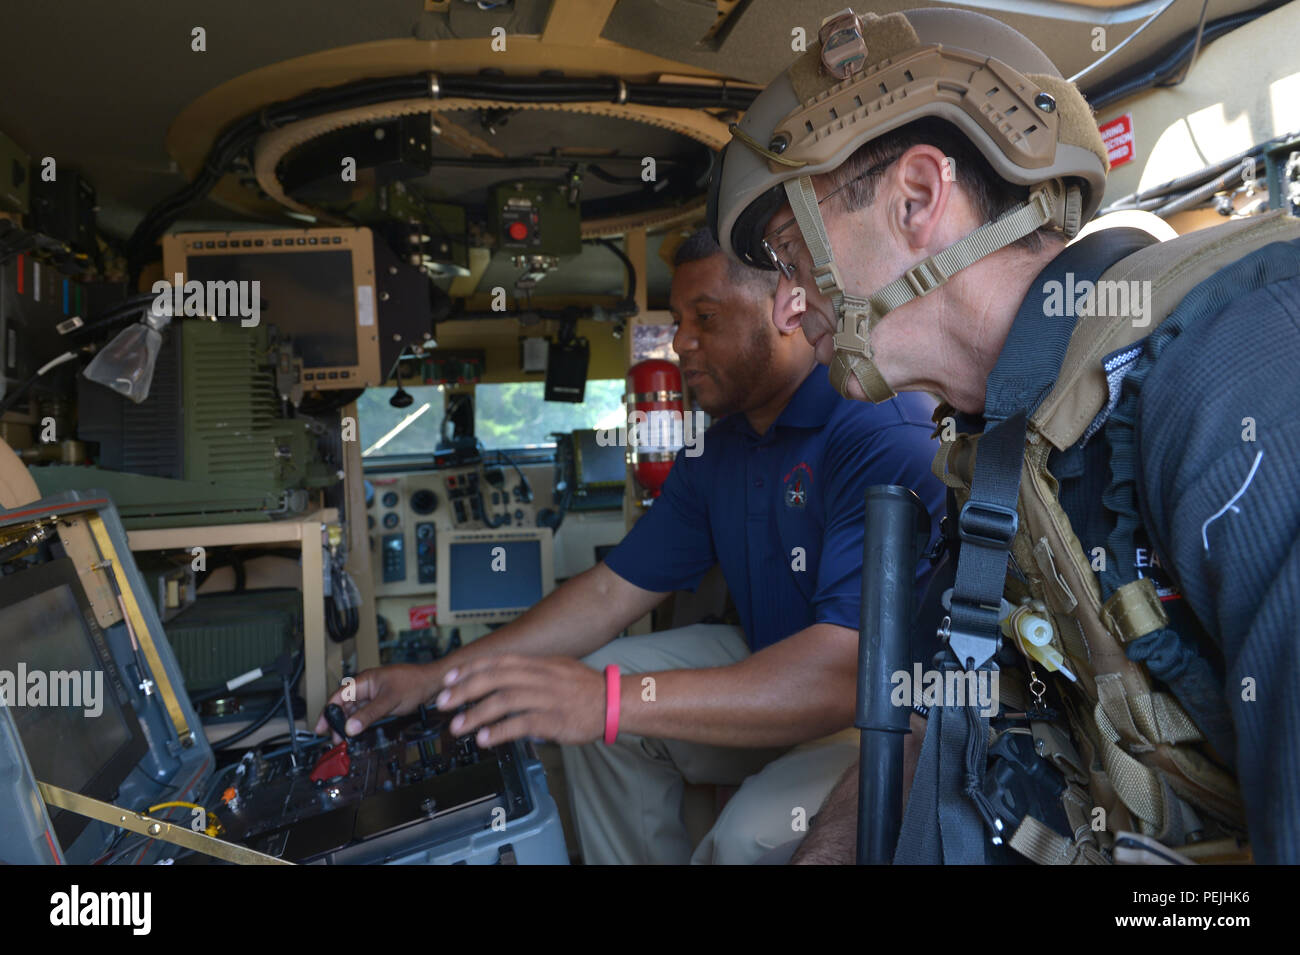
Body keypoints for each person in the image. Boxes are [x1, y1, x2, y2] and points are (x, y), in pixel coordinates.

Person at [709, 6, 1300, 863]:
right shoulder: (1000, 448)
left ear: (917, 197)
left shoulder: (1237, 365)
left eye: (794, 255)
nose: (790, 305)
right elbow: (925, 723)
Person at [318, 229, 946, 863]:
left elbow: (843, 675)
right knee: (591, 680)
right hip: (771, 664)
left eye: (705, 318)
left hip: (881, 715)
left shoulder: (875, 424)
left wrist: (609, 704)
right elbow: (609, 592)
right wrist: (434, 679)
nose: (681, 342)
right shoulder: (721, 448)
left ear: (787, 306)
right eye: (678, 321)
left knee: (744, 834)